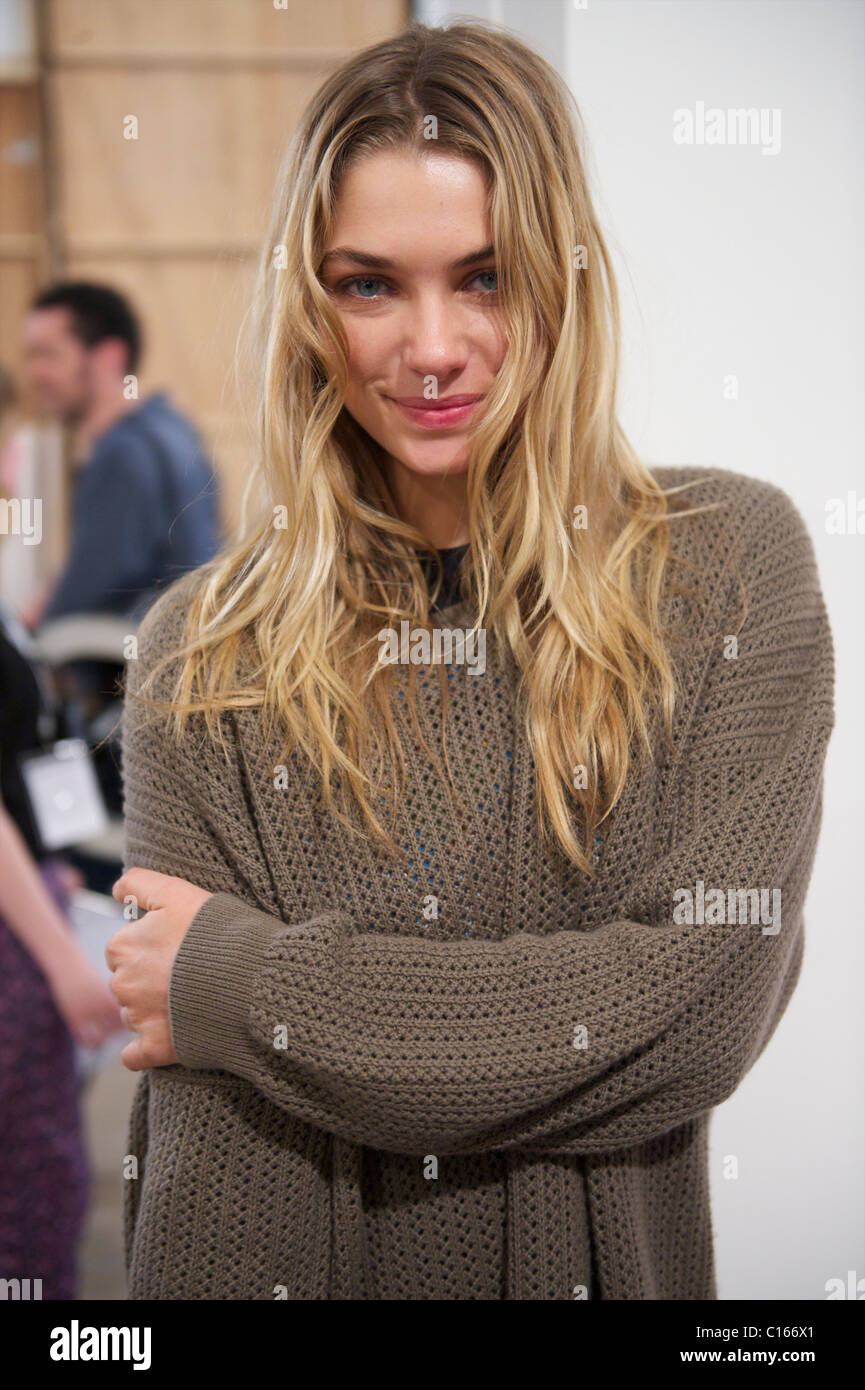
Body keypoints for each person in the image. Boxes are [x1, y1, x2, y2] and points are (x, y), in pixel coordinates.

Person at [106, 21, 834, 1300]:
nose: (430, 349)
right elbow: (214, 1146)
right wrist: (546, 1009)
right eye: (368, 282)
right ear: (308, 300)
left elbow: (696, 1010)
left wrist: (240, 981)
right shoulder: (204, 656)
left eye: (484, 277)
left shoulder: (730, 570)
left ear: (563, 280)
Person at [0, 612, 124, 1300]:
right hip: (16, 932)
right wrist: (65, 962)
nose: (14, 496)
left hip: (34, 895)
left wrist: (54, 856)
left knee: (43, 1164)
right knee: (33, 1171)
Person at [19, 281, 221, 629]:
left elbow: (94, 584)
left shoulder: (124, 453)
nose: (34, 374)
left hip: (126, 671)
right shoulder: (173, 431)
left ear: (109, 358)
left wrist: (30, 626)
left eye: (48, 355)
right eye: (31, 356)